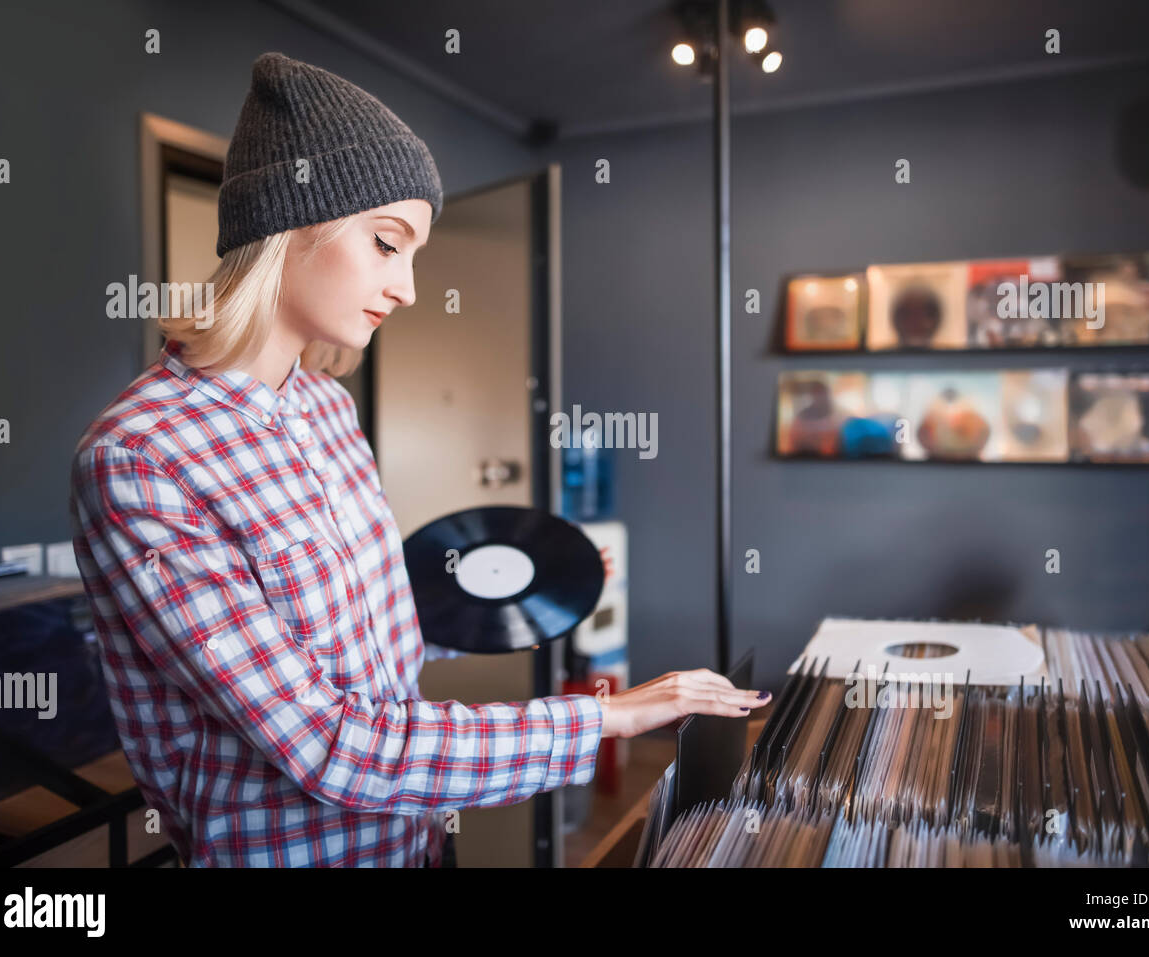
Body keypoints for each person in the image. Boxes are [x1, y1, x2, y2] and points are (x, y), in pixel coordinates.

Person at [68, 51, 769, 868]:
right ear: (289, 224)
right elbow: (330, 744)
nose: (405, 288)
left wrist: (508, 584)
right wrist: (607, 714)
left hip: (416, 839)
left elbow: (368, 627)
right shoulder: (140, 456)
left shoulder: (326, 409)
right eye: (386, 243)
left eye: (415, 254)